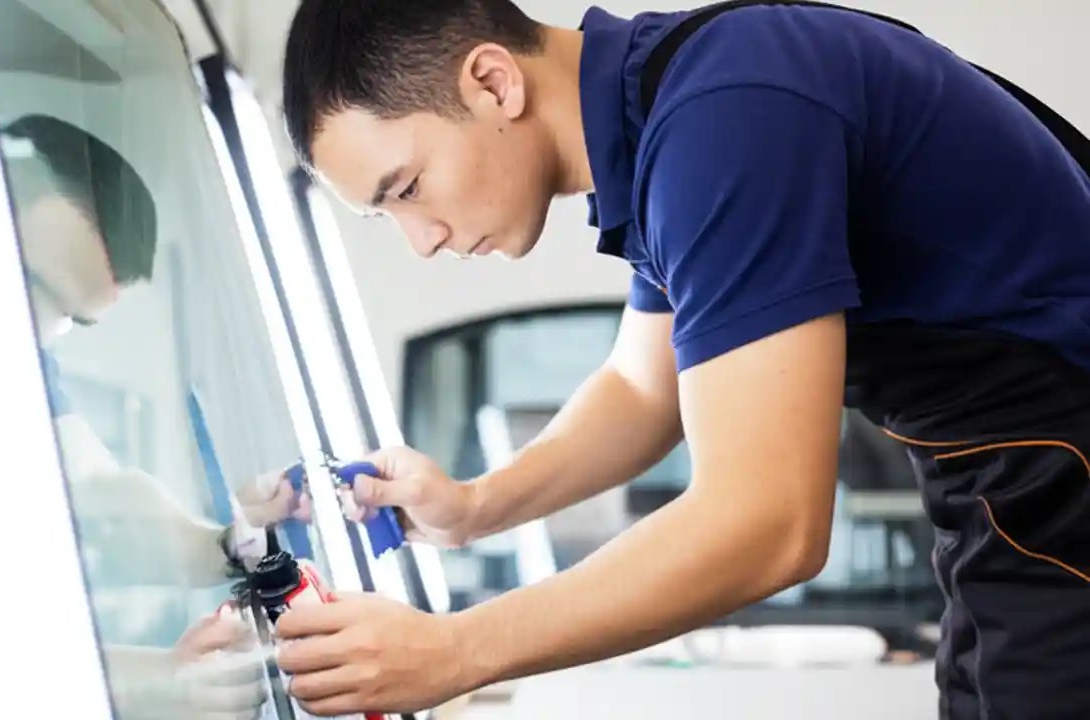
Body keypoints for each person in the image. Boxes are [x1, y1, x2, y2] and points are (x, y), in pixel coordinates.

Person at [275, 2, 1090, 718]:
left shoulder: (729, 120)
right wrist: (475, 507)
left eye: (408, 188)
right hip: (1006, 495)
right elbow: (642, 388)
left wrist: (456, 652)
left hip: (1064, 478)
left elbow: (768, 525)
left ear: (493, 82)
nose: (423, 242)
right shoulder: (672, 111)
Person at [0, 114, 303, 719]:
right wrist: (152, 683)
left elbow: (99, 500)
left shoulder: (25, 364)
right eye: (31, 289)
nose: (36, 332)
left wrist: (222, 544)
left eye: (69, 320)